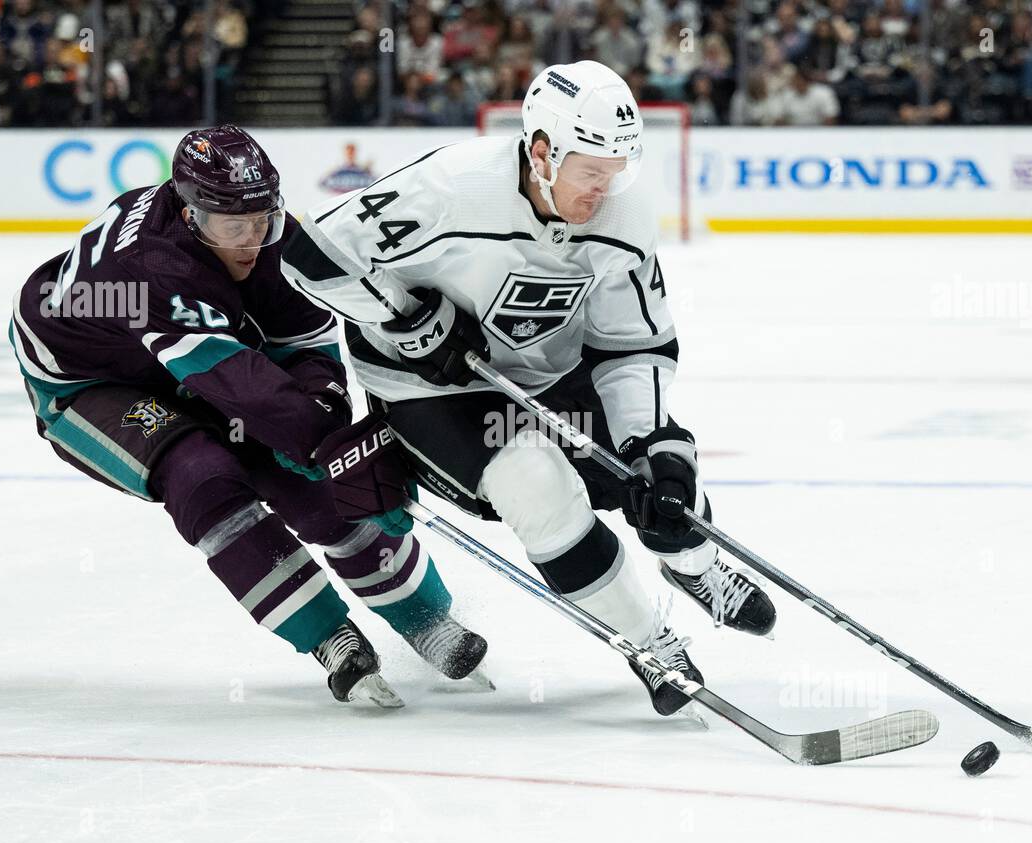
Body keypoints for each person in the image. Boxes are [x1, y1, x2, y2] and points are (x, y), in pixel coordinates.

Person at [281, 62, 776, 719]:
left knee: (661, 477)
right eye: (592, 169)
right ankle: (650, 642)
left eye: (618, 167)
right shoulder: (450, 188)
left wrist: (649, 442)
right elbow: (309, 256)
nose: (607, 187)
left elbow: (634, 345)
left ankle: (692, 562)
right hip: (434, 385)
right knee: (536, 484)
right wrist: (406, 315)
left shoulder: (622, 215)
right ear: (542, 152)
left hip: (548, 369)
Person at [9, 125, 487, 706]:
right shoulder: (150, 265)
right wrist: (329, 447)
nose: (250, 240)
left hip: (183, 355)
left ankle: (427, 621)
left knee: (307, 476)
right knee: (201, 475)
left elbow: (307, 348)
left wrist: (331, 424)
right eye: (231, 227)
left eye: (261, 220)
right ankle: (327, 635)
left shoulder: (277, 236)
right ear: (189, 215)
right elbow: (239, 384)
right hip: (90, 381)